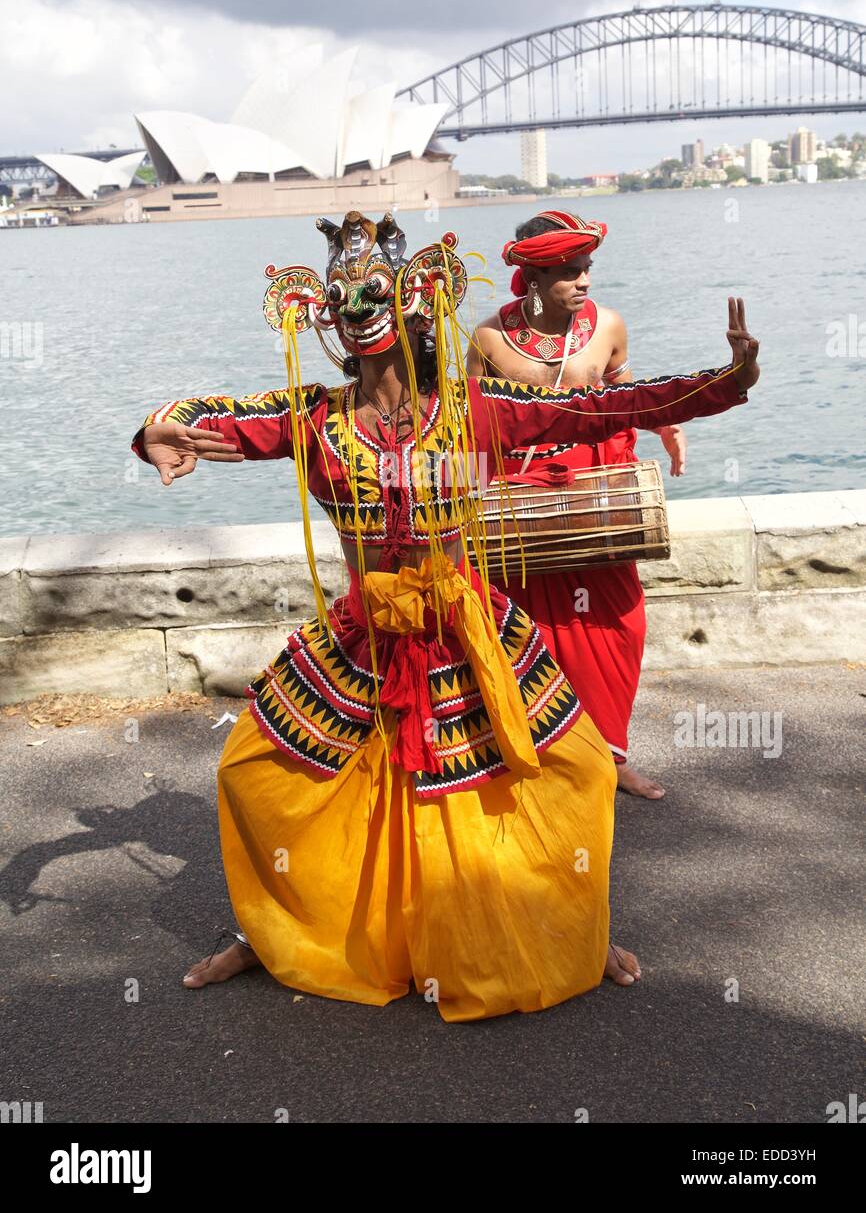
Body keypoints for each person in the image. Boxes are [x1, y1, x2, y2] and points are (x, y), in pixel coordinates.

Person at [130, 210, 759, 1022]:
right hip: (364, 639)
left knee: (572, 773)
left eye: (374, 293)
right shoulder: (314, 419)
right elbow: (204, 418)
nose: (357, 311)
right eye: (342, 298)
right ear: (324, 318)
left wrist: (729, 380)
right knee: (257, 774)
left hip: (467, 633)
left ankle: (572, 929)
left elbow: (609, 408)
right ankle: (279, 929)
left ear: (417, 305)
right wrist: (154, 437)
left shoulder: (477, 411)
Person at [467, 210, 683, 799]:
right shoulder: (488, 339)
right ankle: (536, 757)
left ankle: (610, 758)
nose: (584, 280)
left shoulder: (609, 325)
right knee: (529, 630)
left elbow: (624, 388)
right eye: (568, 270)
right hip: (523, 507)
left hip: (598, 502)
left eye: (586, 267)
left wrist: (666, 426)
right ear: (533, 278)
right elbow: (467, 425)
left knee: (619, 625)